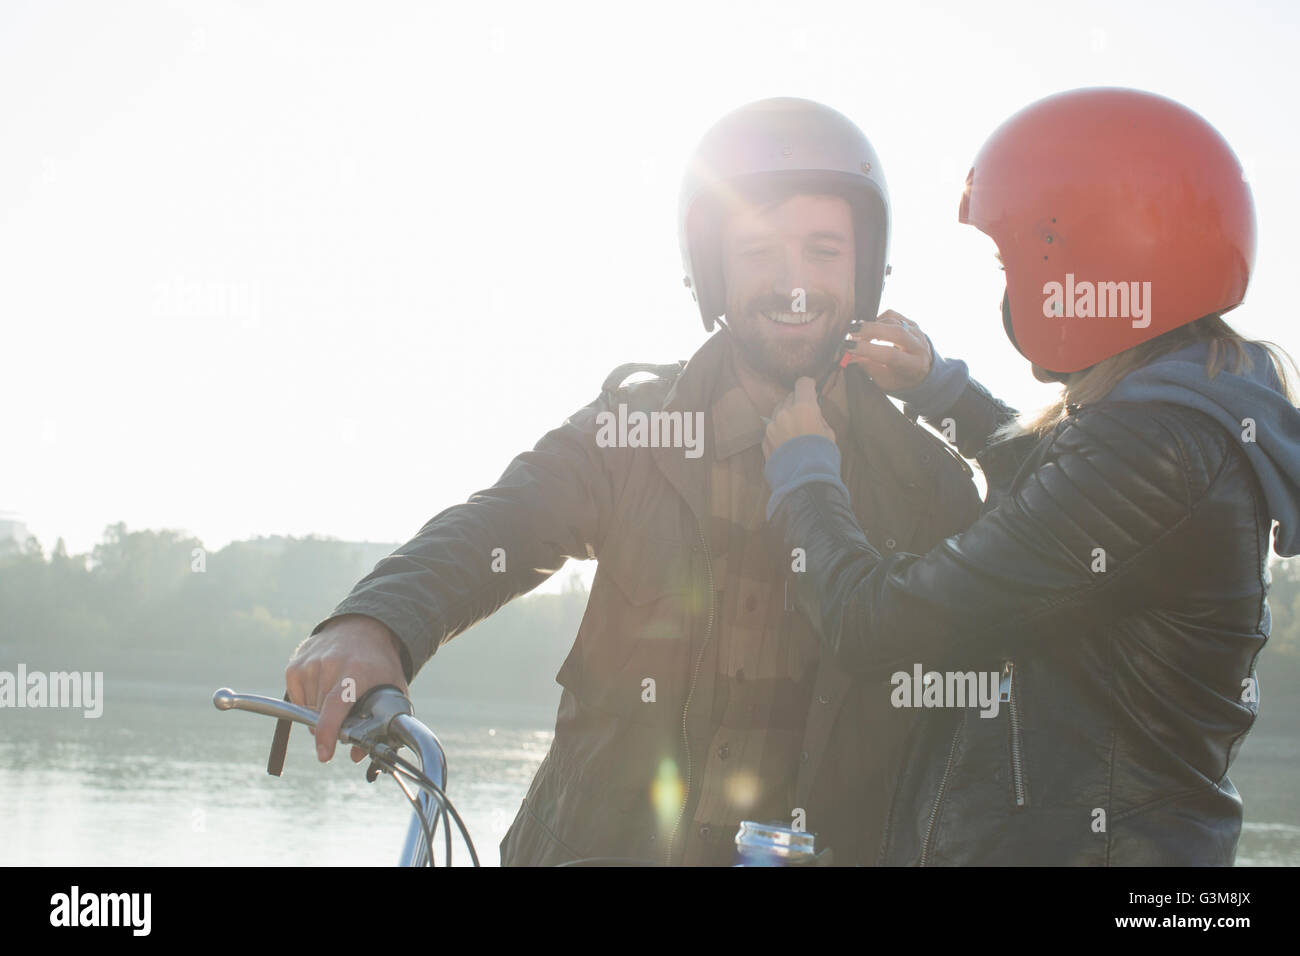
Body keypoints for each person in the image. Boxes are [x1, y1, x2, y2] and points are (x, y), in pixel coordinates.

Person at [283, 97, 981, 865]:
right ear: (712, 271)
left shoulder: (929, 486)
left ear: (866, 266)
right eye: (759, 253)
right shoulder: (637, 426)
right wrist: (374, 623)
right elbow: (503, 524)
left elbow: (980, 718)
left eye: (822, 251)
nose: (794, 284)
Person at [761, 87, 1300, 865]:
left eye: (1015, 262)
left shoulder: (1157, 449)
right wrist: (940, 390)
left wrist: (805, 473)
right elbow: (1061, 513)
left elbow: (874, 622)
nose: (1010, 291)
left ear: (1088, 260)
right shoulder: (1185, 414)